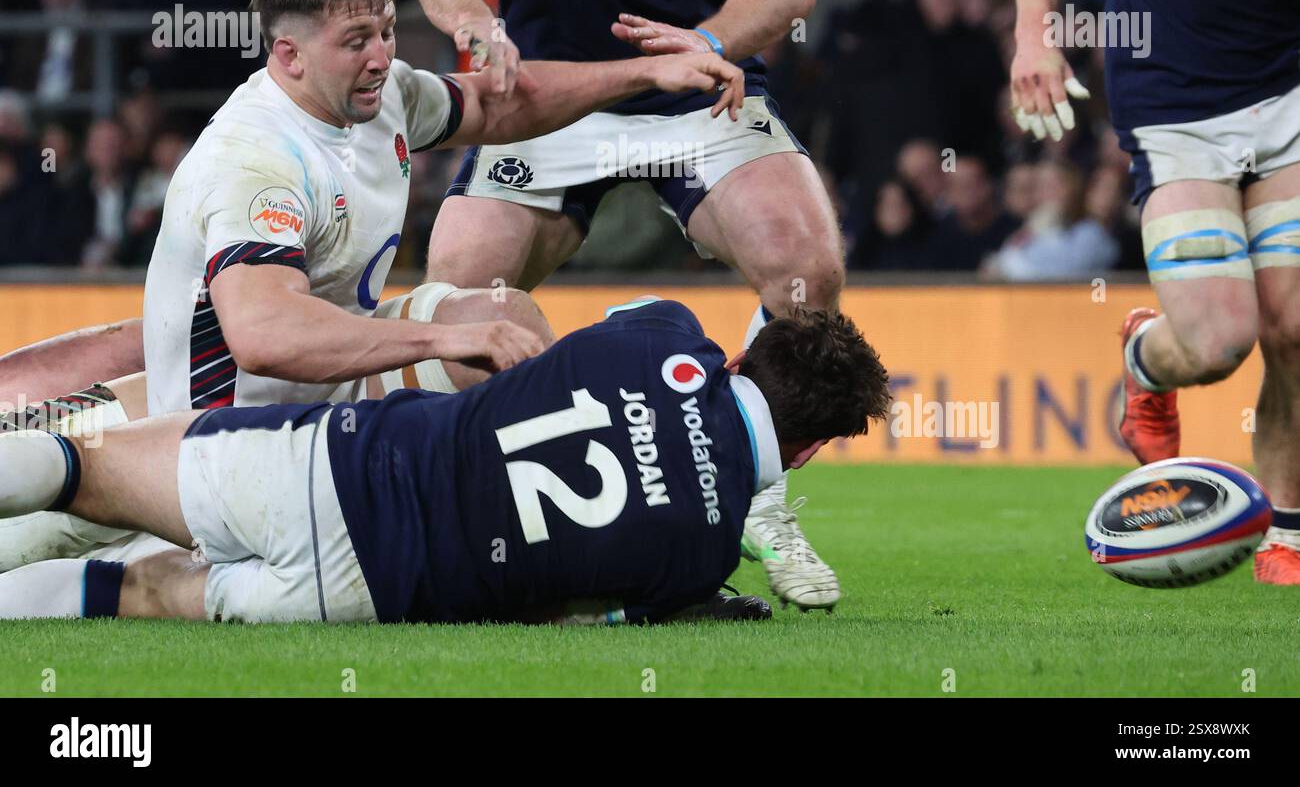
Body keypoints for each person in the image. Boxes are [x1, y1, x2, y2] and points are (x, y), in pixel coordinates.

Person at [0, 0, 743, 571]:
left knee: (499, 318)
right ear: (287, 54)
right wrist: (445, 335)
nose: (383, 56)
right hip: (223, 447)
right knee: (57, 547)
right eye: (357, 41)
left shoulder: (375, 94)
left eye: (387, 30)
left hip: (332, 398)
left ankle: (588, 545)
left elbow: (495, 102)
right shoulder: (256, 162)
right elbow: (265, 335)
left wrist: (644, 77)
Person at [403, 0, 845, 610]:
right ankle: (486, 525)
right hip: (553, 101)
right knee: (457, 299)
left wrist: (715, 42)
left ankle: (759, 495)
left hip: (687, 81)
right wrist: (472, 25)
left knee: (807, 272)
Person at [0, 302, 891, 624]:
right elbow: (567, 611)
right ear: (808, 449)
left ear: (742, 358)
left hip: (337, 470)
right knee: (137, 593)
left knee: (87, 464)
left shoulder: (670, 341)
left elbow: (628, 322)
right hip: (368, 596)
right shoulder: (703, 559)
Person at [1009, 0, 1300, 583]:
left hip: (1290, 97)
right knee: (1219, 340)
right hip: (1174, 108)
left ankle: (1290, 534)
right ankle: (1147, 360)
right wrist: (1033, 34)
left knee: (1295, 325)